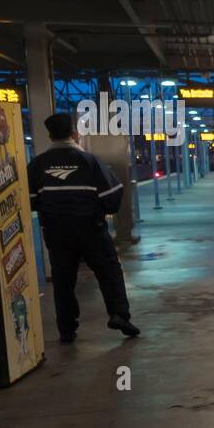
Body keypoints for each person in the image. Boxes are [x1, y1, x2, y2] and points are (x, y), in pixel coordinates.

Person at [28, 113, 140, 342]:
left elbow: (29, 199)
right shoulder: (90, 161)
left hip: (57, 231)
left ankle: (67, 329)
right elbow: (112, 197)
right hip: (91, 228)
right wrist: (96, 210)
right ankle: (119, 314)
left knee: (63, 279)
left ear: (50, 136)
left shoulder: (38, 164)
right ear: (75, 134)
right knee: (109, 271)